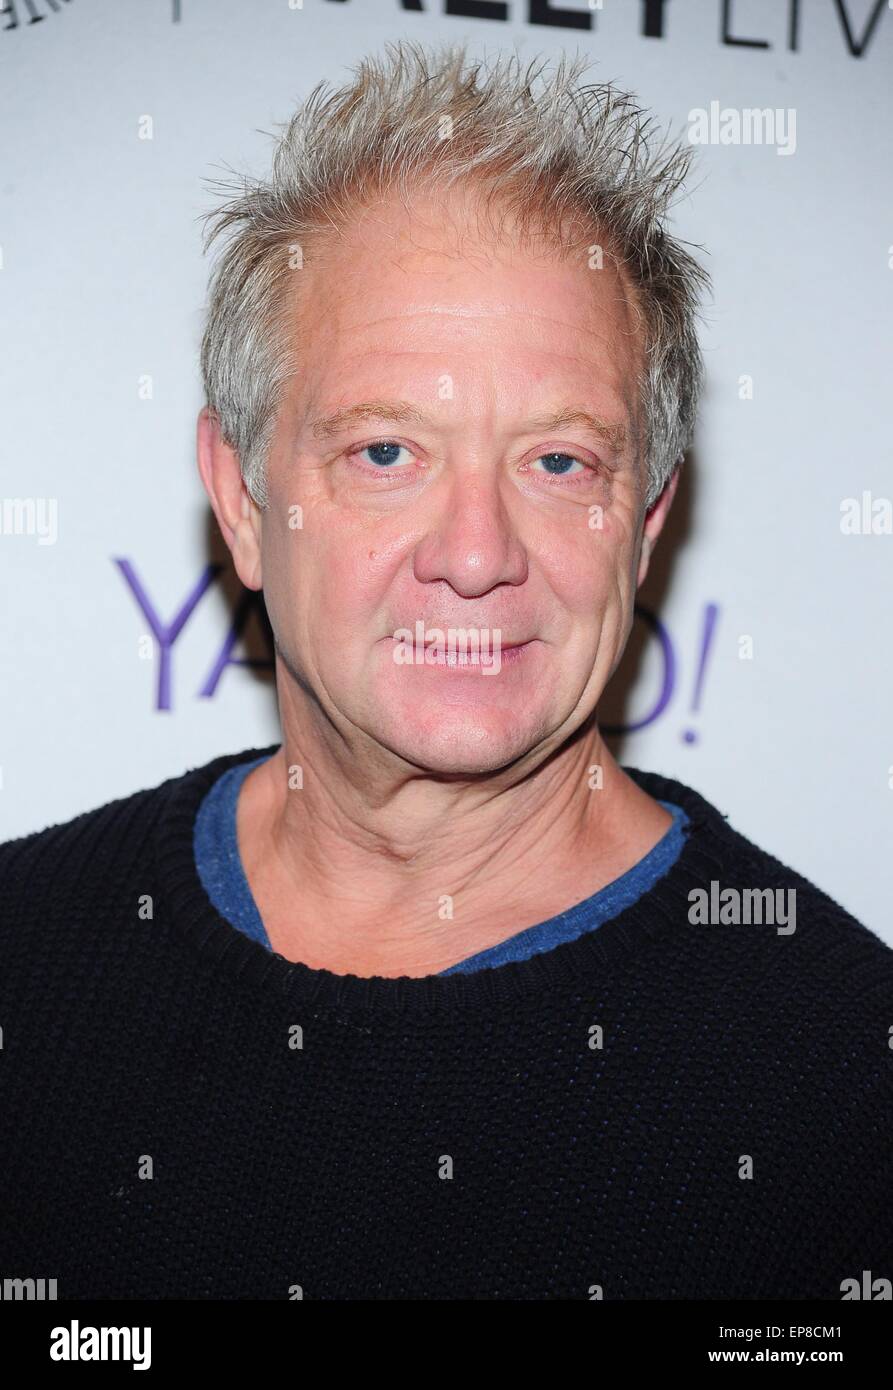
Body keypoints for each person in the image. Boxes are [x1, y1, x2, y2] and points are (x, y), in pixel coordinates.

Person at [1, 39, 890, 1301]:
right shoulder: (26, 958)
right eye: (383, 453)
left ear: (644, 523)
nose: (476, 557)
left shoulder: (844, 1079)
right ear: (242, 501)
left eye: (558, 463)